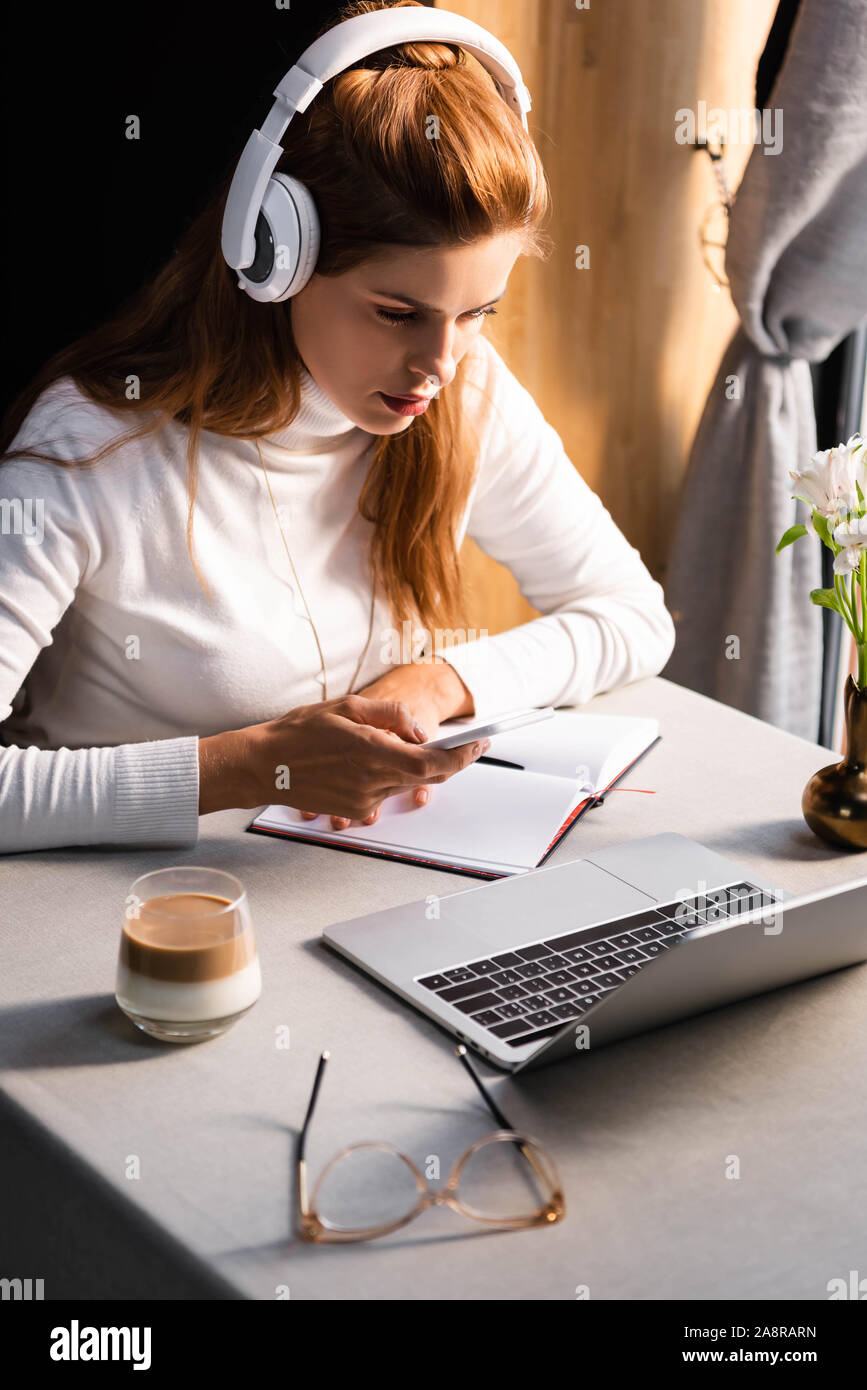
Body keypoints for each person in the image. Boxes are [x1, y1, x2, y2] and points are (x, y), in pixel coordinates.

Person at [0, 0, 675, 855]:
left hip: (340, 891)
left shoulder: (465, 397)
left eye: (477, 313)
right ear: (274, 258)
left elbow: (630, 615)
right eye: (398, 313)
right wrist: (245, 769)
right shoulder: (91, 450)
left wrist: (441, 682)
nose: (440, 361)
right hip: (123, 922)